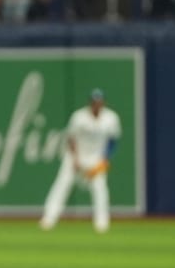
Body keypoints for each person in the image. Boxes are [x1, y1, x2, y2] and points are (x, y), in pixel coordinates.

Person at [40, 89, 122, 233]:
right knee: (62, 185)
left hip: (96, 158)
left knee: (100, 189)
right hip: (75, 156)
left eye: (99, 101)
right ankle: (49, 218)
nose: (97, 104)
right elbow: (71, 138)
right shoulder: (79, 117)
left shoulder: (111, 118)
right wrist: (75, 160)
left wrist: (105, 159)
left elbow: (113, 141)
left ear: (103, 103)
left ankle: (101, 222)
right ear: (90, 103)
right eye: (94, 102)